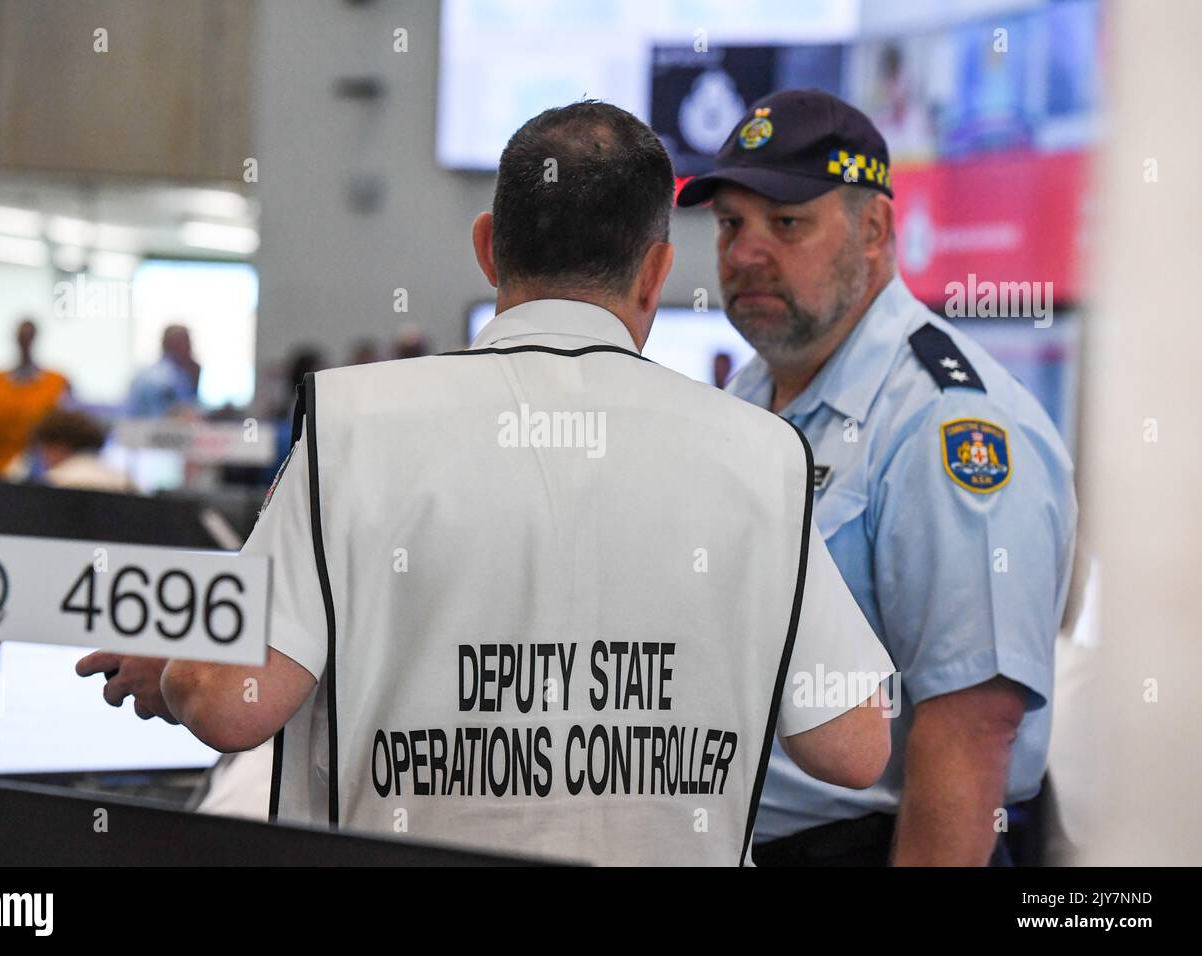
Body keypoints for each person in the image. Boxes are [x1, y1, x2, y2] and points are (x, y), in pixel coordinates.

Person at [79, 101, 893, 866]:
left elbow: (231, 702)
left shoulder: (354, 423)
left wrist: (183, 663)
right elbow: (854, 746)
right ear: (656, 272)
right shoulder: (762, 453)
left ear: (488, 247)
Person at [676, 89, 1077, 865]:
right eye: (730, 225)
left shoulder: (945, 422)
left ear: (874, 231)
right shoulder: (748, 398)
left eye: (786, 223)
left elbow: (973, 726)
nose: (746, 253)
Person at [0, 318, 71, 478]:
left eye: (28, 337)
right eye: (22, 337)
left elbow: (63, 430)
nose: (25, 342)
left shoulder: (55, 383)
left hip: (41, 472)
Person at [32, 408, 134, 493]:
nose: (43, 459)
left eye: (43, 450)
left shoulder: (52, 482)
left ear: (59, 447)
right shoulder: (123, 481)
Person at [127, 324, 201, 417]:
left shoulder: (183, 373)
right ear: (170, 344)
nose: (189, 347)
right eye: (185, 342)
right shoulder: (161, 378)